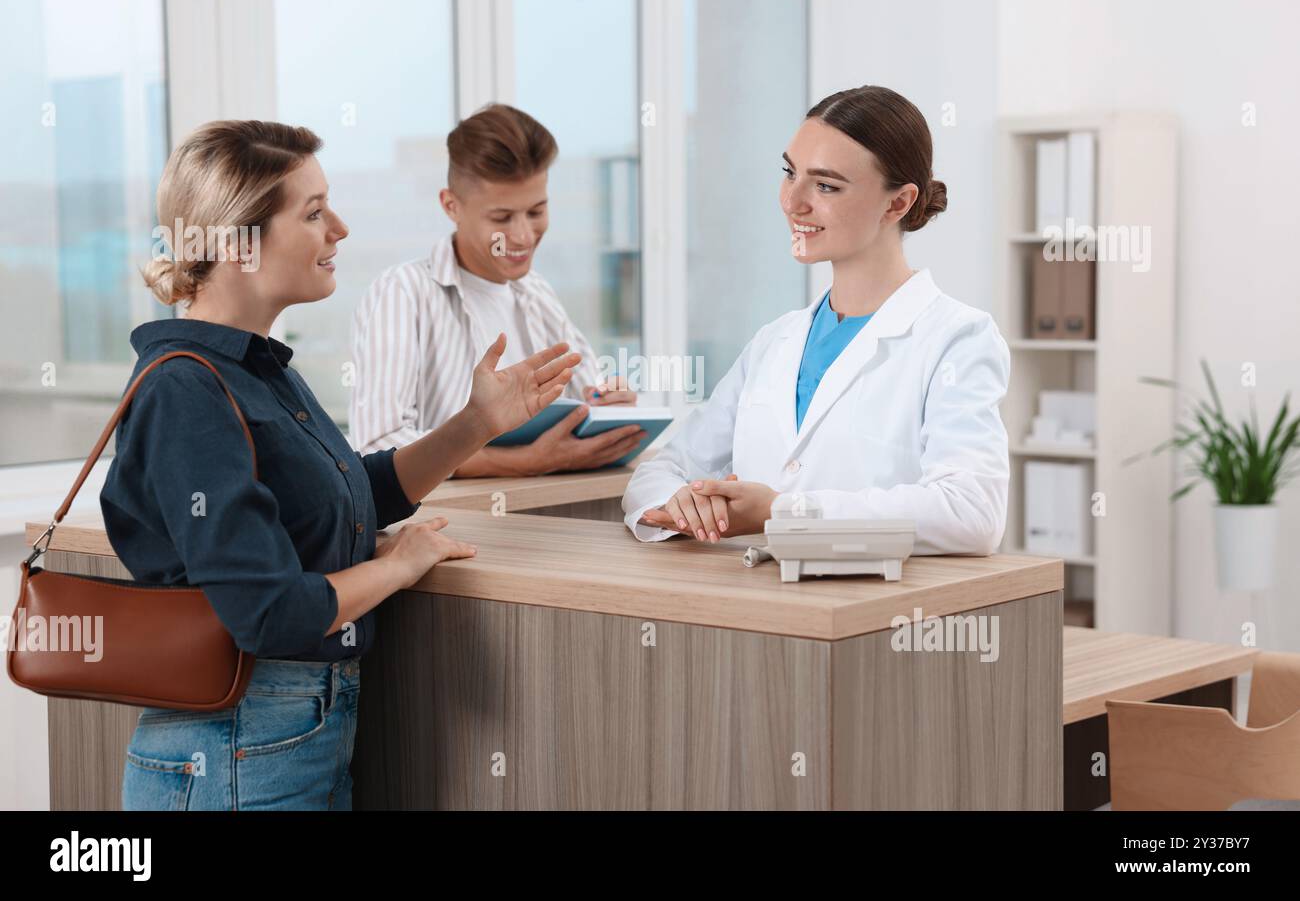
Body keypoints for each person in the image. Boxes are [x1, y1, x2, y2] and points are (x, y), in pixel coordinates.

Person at [102, 120, 579, 810]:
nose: (341, 229)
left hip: (283, 739)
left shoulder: (259, 372)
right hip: (235, 751)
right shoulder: (188, 390)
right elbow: (267, 612)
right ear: (239, 241)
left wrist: (478, 422)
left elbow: (359, 492)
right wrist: (395, 566)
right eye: (315, 212)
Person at [622, 85, 1010, 556]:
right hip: (753, 607)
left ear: (898, 203)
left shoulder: (957, 338)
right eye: (790, 173)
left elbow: (972, 513)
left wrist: (784, 513)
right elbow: (663, 471)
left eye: (825, 185)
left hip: (878, 613)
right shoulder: (776, 341)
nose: (793, 202)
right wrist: (686, 507)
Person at [348, 103, 642, 475]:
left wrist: (610, 409)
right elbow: (377, 445)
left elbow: (589, 399)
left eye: (536, 212)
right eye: (501, 217)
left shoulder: (537, 294)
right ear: (451, 206)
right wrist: (524, 462)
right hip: (451, 526)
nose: (522, 236)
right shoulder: (401, 293)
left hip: (543, 516)